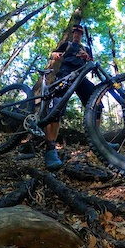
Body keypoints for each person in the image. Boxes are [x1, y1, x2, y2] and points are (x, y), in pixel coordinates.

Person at [42, 23, 98, 170]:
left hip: (81, 77)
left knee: (96, 103)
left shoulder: (86, 48)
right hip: (65, 75)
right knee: (56, 108)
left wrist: (87, 57)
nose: (77, 35)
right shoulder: (67, 44)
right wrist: (56, 55)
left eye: (79, 34)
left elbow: (92, 63)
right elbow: (53, 54)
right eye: (75, 33)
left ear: (82, 36)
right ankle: (50, 148)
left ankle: (98, 142)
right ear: (73, 34)